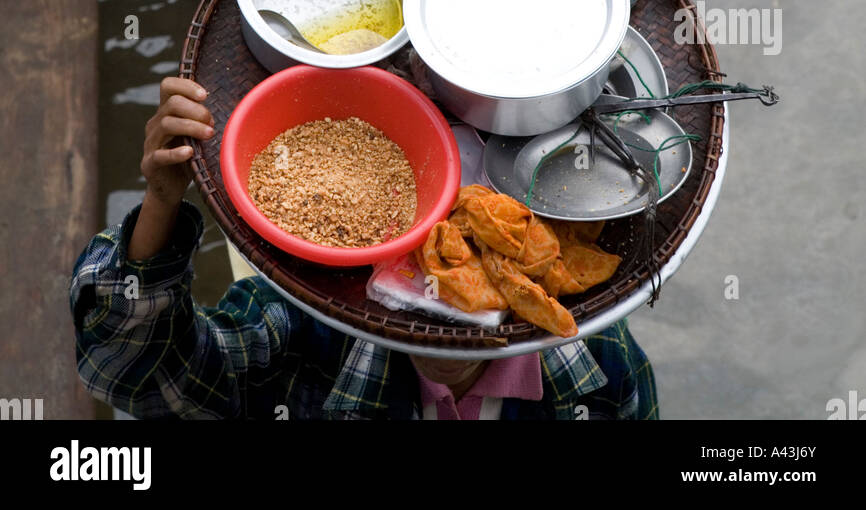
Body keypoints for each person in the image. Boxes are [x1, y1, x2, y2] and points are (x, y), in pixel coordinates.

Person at [70, 76, 660, 419]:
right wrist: (161, 200)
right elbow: (134, 375)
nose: (443, 313)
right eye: (428, 270)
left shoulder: (602, 375)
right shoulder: (300, 333)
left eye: (481, 281)